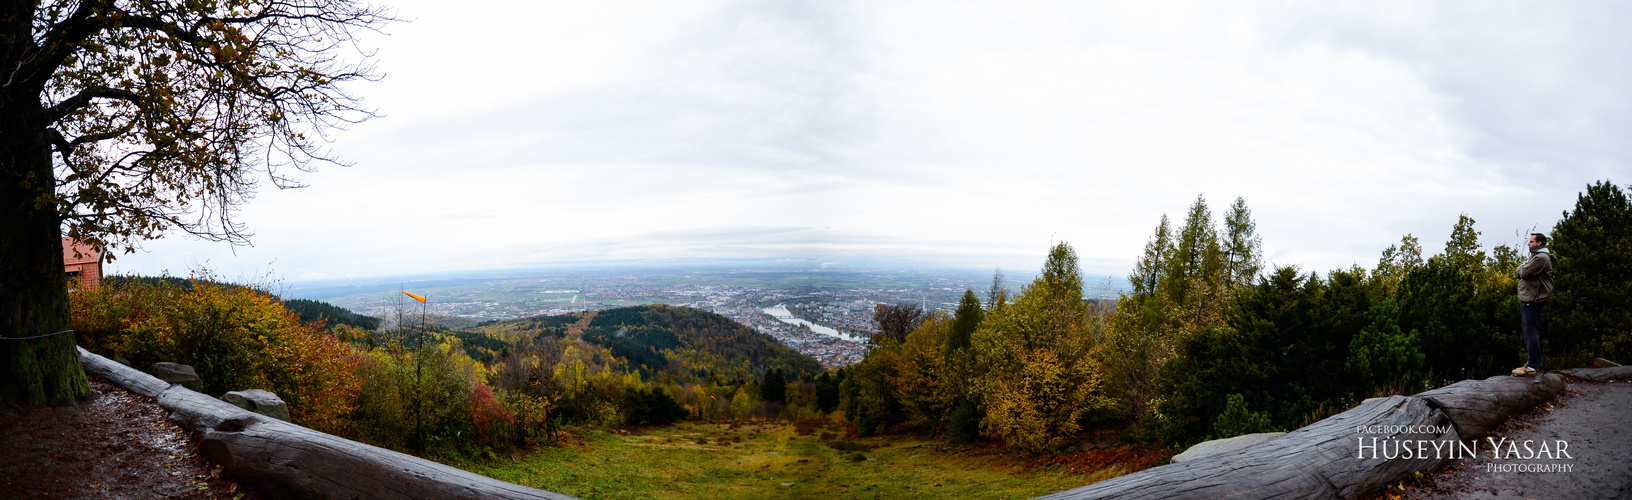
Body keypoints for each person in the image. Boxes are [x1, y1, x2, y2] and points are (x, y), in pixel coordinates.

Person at [1513, 233, 1555, 377]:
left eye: (1531, 242)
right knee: (1529, 332)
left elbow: (1523, 272)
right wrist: (1522, 269)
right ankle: (1533, 364)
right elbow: (1524, 270)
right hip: (1530, 298)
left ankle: (1532, 366)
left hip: (1533, 299)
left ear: (1539, 243)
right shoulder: (1537, 257)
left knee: (1531, 333)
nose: (1529, 244)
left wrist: (1520, 269)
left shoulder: (1541, 258)